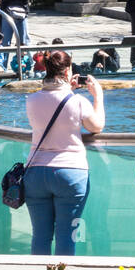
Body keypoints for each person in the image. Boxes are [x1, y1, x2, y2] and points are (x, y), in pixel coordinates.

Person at [24, 51, 104, 256]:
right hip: (71, 171)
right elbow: (97, 126)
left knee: (40, 236)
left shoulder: (31, 100)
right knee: (67, 235)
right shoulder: (77, 101)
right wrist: (98, 97)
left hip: (35, 172)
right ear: (68, 70)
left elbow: (51, 103)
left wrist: (68, 88)